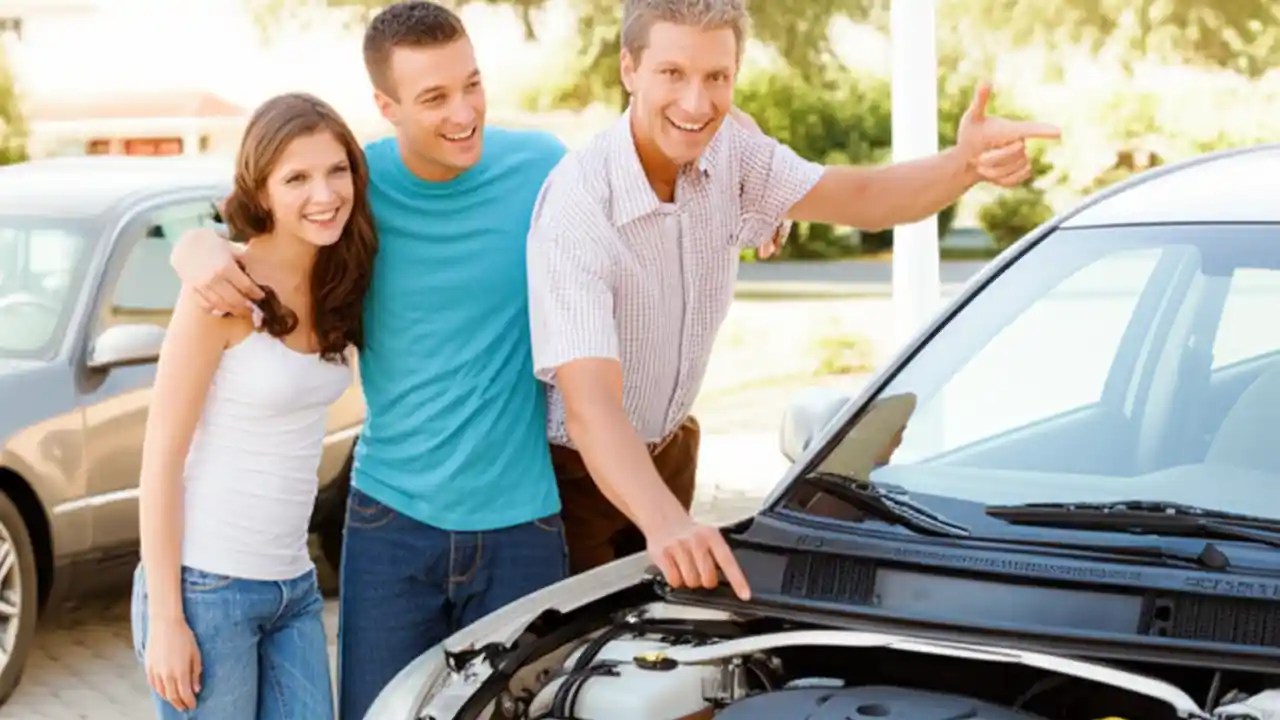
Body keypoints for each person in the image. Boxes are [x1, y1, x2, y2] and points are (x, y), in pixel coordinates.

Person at [525, 0, 1062, 602]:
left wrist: (964, 165)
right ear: (629, 68)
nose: (697, 103)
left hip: (671, 449)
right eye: (672, 74)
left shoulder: (732, 152)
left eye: (716, 77)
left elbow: (859, 194)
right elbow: (591, 407)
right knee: (572, 664)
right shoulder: (579, 203)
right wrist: (669, 523)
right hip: (576, 476)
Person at [167, 3, 593, 717]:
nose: (463, 113)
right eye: (433, 97)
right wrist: (196, 246)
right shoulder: (354, 189)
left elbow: (640, 203)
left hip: (524, 528)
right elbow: (262, 225)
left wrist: (749, 207)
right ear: (386, 106)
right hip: (391, 530)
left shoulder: (543, 169)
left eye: (472, 84)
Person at [130, 92, 376, 719]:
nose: (324, 194)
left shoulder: (340, 280)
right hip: (206, 587)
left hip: (293, 587)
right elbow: (159, 461)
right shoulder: (220, 291)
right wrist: (166, 619)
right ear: (261, 190)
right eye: (297, 177)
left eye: (336, 170)